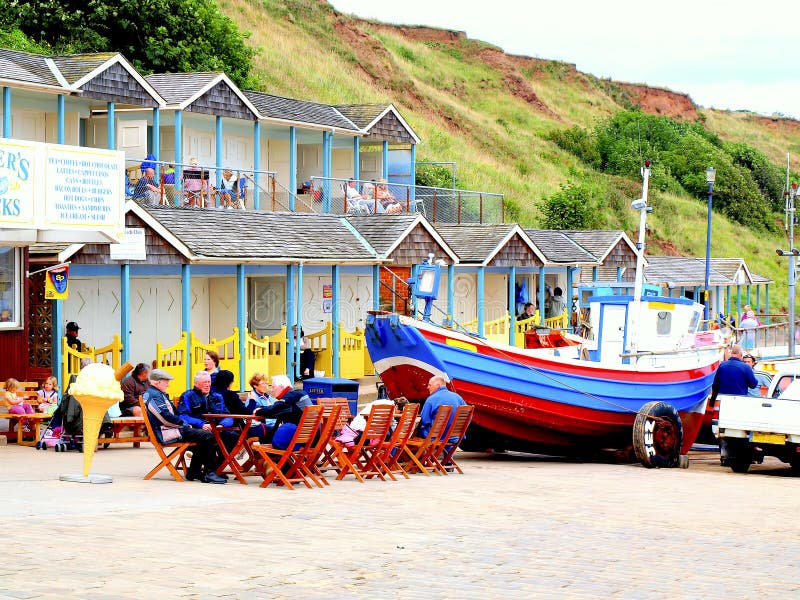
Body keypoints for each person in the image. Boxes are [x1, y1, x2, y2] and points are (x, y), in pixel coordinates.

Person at [143, 369, 226, 484]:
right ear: (158, 382)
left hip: (170, 429)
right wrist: (185, 425)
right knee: (208, 436)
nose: (168, 384)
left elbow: (169, 416)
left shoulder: (155, 393)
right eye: (166, 381)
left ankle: (194, 471)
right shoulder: (154, 395)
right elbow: (165, 416)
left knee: (203, 436)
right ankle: (210, 473)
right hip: (167, 432)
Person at [252, 374, 314, 446]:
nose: (271, 390)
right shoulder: (300, 393)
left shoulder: (290, 397)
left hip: (299, 442)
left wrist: (258, 411)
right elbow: (277, 411)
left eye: (273, 387)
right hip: (311, 439)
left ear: (281, 387)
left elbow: (273, 410)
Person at [418, 375, 466, 439]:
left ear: (437, 386)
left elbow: (425, 420)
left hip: (434, 437)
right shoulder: (458, 397)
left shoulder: (431, 399)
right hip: (453, 437)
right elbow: (468, 416)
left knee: (418, 430)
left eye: (430, 385)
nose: (427, 387)